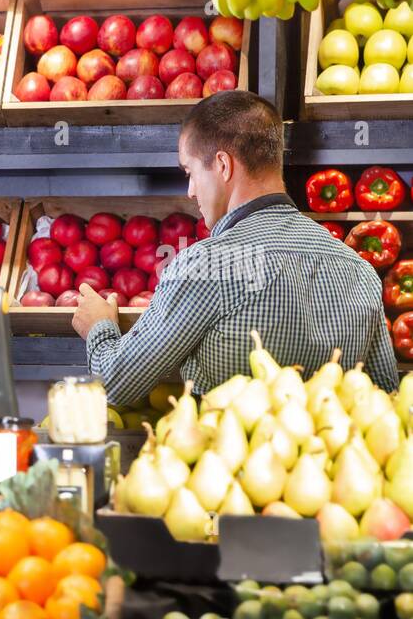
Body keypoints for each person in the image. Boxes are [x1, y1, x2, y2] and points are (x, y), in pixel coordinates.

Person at [71, 90, 398, 404]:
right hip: (325, 458)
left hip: (231, 459)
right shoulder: (359, 268)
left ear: (223, 166)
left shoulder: (208, 263)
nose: (191, 191)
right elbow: (383, 395)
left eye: (191, 172)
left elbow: (116, 383)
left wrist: (99, 326)